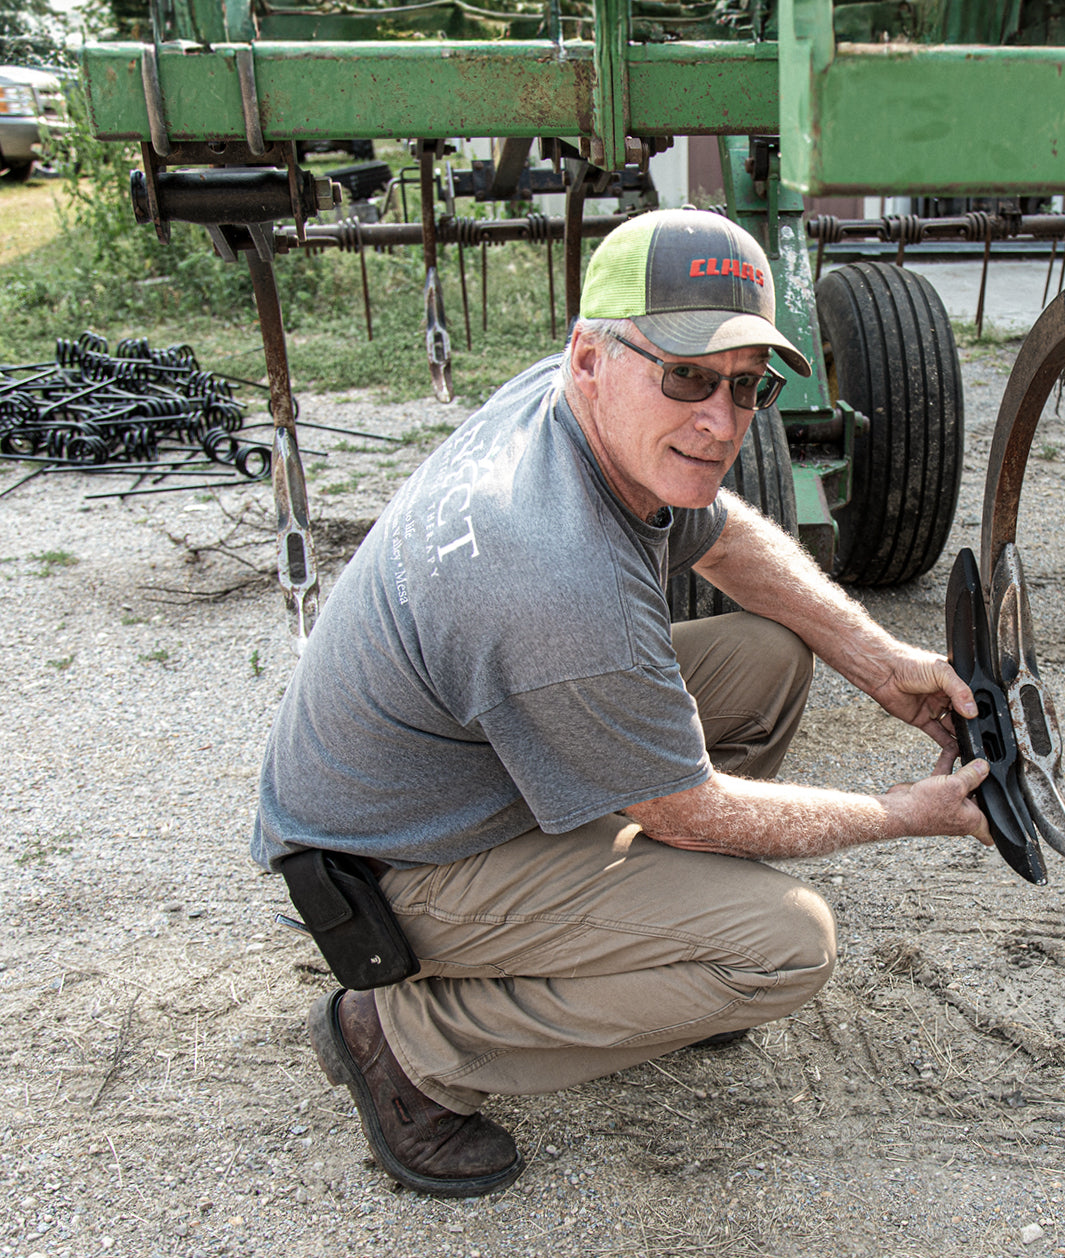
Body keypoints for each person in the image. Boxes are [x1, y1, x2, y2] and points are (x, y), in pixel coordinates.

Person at [251, 207, 992, 1199]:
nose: (722, 420)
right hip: (390, 870)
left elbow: (721, 535)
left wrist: (880, 658)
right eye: (686, 374)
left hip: (456, 770)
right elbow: (690, 807)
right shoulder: (552, 577)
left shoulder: (572, 412)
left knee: (767, 657)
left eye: (747, 385)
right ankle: (403, 1036)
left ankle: (655, 933)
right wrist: (905, 812)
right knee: (783, 946)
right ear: (590, 356)